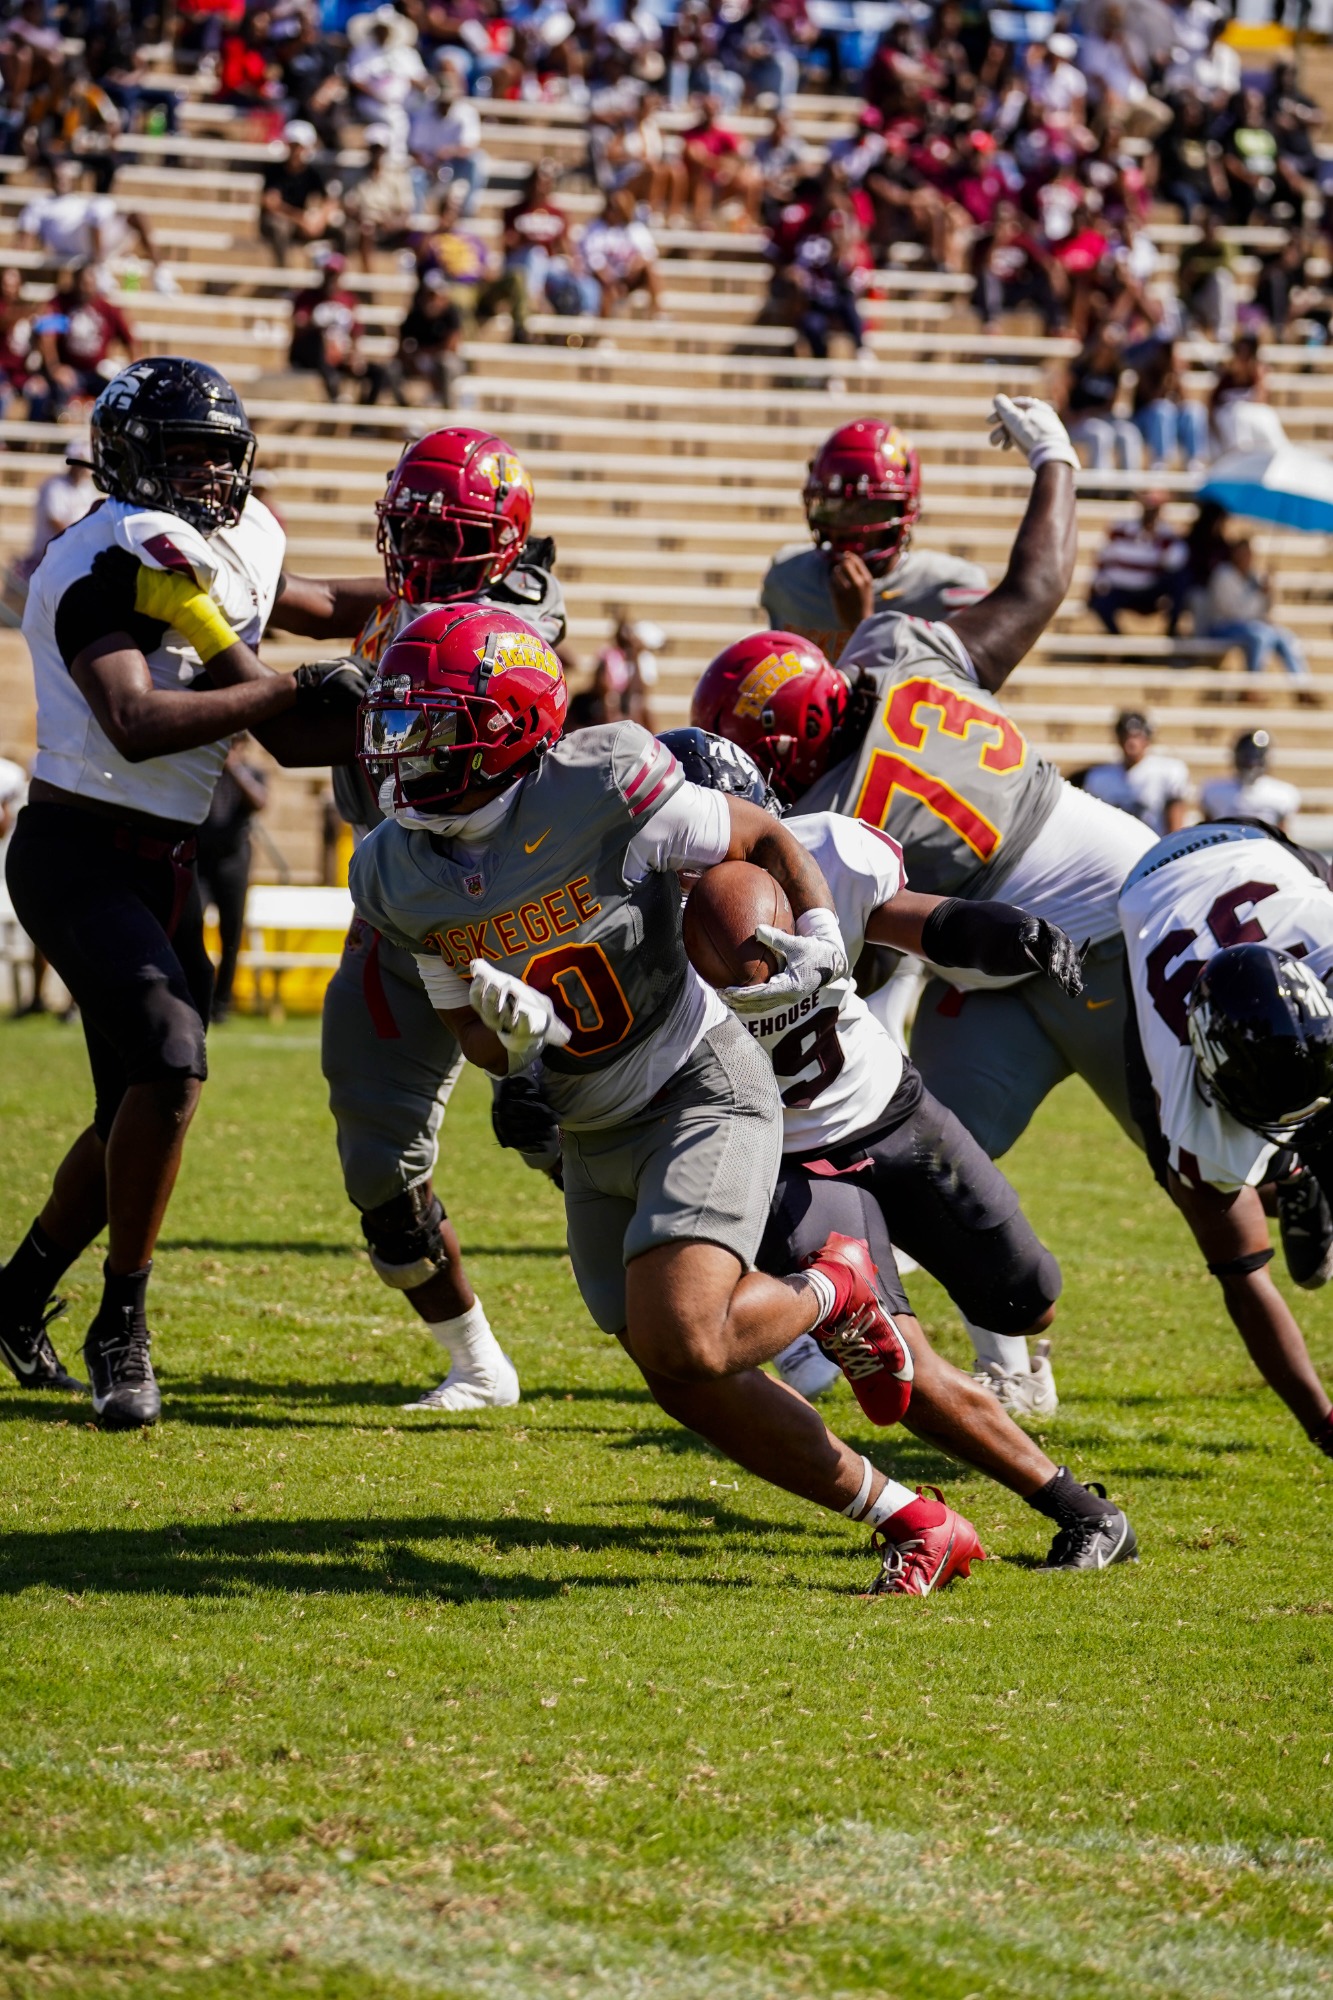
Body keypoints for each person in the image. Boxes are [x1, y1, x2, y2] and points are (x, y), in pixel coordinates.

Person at [349, 603, 967, 1598]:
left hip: (694, 1083)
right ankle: (914, 1517)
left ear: (506, 725)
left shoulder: (600, 784)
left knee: (689, 1334)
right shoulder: (390, 867)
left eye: (431, 727)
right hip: (589, 1122)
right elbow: (469, 1030)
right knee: (676, 1372)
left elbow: (761, 832)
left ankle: (836, 1285)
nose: (400, 750)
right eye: (395, 724)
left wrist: (813, 923)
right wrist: (508, 1046)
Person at [692, 395, 1161, 1414]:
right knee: (931, 1152)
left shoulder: (829, 814)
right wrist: (1055, 458)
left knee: (1196, 1165)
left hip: (1099, 932)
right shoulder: (906, 642)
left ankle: (1296, 1173)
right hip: (989, 934)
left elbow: (809, 963)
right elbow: (1034, 587)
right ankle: (1011, 1361)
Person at [0, 357, 390, 1424]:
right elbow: (133, 719)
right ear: (128, 456)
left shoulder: (238, 535)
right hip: (77, 844)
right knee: (171, 1067)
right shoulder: (95, 560)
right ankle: (122, 1321)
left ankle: (15, 1295)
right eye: (186, 454)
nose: (211, 474)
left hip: (169, 861)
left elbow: (309, 604)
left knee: (125, 1106)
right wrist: (287, 688)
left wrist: (444, 600)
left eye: (223, 453)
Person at [658, 726, 1136, 1577]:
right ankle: (1080, 1510)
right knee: (894, 1355)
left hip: (890, 1113)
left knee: (1027, 1301)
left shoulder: (820, 857)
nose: (702, 871)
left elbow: (912, 921)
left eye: (715, 842)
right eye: (684, 853)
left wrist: (1002, 934)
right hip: (783, 1164)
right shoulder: (635, 928)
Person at [319, 428, 565, 1412]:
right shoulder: (404, 611)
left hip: (517, 905)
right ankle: (474, 1360)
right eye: (409, 520)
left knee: (582, 1126)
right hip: (398, 906)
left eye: (443, 526)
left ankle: (780, 1297)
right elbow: (341, 608)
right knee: (377, 1161)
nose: (418, 541)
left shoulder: (514, 615)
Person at [1119, 825, 1333, 1460]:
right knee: (1219, 1220)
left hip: (1260, 850)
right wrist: (1325, 1426)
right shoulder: (1189, 1108)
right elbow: (1246, 1279)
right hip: (1150, 887)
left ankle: (1294, 1166)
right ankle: (1291, 1174)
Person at [760, 421, 987, 664]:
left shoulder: (948, 590)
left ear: (905, 509)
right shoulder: (788, 577)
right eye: (833, 507)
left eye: (868, 509)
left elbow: (950, 695)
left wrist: (863, 625)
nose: (848, 526)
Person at [195, 739, 268, 1022]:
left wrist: (234, 768)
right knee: (192, 924)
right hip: (200, 861)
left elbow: (260, 801)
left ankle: (221, 1002)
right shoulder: (203, 773)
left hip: (233, 863)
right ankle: (195, 990)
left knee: (231, 934)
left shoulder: (251, 774)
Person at [1192, 538, 1312, 686]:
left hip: (1251, 626)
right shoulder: (1223, 575)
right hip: (1223, 626)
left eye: (1249, 553)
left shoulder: (1254, 576)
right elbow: (1233, 612)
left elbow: (1266, 611)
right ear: (1235, 554)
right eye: (1243, 553)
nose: (1247, 557)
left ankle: (1302, 685)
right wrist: (1258, 594)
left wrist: (1270, 591)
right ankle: (1253, 685)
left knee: (1284, 637)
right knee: (1260, 636)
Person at [17, 158, 158, 281]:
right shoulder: (39, 204)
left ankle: (160, 270)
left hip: (96, 240)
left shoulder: (79, 201)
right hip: (70, 242)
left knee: (137, 216)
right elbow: (26, 237)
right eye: (57, 175)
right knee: (99, 207)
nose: (61, 179)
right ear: (50, 178)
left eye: (65, 176)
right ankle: (99, 267)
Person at [35, 261, 136, 408]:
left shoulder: (107, 308)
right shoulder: (61, 304)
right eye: (83, 282)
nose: (86, 287)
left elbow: (130, 340)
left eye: (90, 283)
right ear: (75, 282)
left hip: (98, 371)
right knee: (61, 390)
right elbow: (47, 337)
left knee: (119, 392)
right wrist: (55, 368)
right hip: (70, 370)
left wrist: (133, 373)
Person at [289, 255, 387, 404]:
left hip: (339, 354)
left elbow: (356, 331)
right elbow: (299, 325)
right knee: (319, 343)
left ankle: (365, 419)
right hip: (311, 355)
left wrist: (354, 354)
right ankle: (333, 390)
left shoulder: (349, 299)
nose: (331, 280)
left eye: (335, 275)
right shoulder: (307, 297)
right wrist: (317, 325)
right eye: (328, 275)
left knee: (377, 372)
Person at [1087, 493, 1189, 635]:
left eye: (1154, 508)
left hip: (1150, 592)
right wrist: (1099, 583)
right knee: (1098, 598)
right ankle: (1118, 641)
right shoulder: (1120, 528)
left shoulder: (1166, 533)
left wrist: (1156, 539)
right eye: (1148, 506)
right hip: (1121, 590)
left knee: (1181, 580)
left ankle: (1172, 631)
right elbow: (1103, 558)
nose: (1150, 511)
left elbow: (1175, 563)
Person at [1082, 712, 1192, 836]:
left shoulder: (1169, 770)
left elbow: (1175, 823)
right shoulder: (1099, 777)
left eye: (1137, 736)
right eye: (1126, 736)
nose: (1131, 742)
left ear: (1148, 739)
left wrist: (1170, 847)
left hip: (1155, 846)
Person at [258, 122, 341, 268]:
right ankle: (282, 273)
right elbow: (271, 204)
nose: (297, 150)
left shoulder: (313, 173)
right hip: (283, 222)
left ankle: (338, 271)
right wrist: (301, 219)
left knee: (343, 230)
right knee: (279, 227)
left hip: (300, 222)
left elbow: (330, 200)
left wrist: (319, 220)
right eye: (294, 145)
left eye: (300, 146)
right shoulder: (273, 171)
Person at [579, 188, 662, 319]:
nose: (616, 211)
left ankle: (658, 313)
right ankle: (603, 332)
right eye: (613, 206)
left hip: (629, 276)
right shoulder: (595, 228)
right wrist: (613, 281)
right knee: (607, 289)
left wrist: (631, 270)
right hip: (604, 279)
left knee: (650, 270)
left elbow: (648, 254)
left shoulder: (634, 229)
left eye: (620, 207)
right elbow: (594, 261)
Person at [19, 434, 96, 576]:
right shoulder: (54, 487)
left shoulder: (87, 489)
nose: (82, 469)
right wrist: (81, 540)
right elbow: (55, 521)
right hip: (49, 559)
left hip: (73, 557)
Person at [345, 125, 417, 272]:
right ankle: (368, 274)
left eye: (380, 149)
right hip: (365, 226)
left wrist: (391, 222)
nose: (377, 153)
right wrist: (369, 218)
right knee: (367, 228)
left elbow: (406, 209)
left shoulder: (398, 174)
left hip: (390, 226)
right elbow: (349, 206)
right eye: (374, 148)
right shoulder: (354, 175)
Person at [1200, 731, 1301, 834]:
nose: (1251, 763)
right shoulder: (1214, 789)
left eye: (1255, 757)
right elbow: (1207, 831)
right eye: (1247, 757)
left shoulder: (1283, 794)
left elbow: (1283, 838)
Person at [391, 268, 463, 406]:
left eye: (434, 295)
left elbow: (451, 346)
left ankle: (447, 406)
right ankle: (403, 405)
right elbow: (401, 346)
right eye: (428, 294)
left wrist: (425, 356)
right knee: (393, 368)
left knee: (445, 363)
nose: (431, 300)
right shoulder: (415, 314)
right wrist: (414, 359)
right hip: (419, 360)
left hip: (441, 361)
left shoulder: (451, 313)